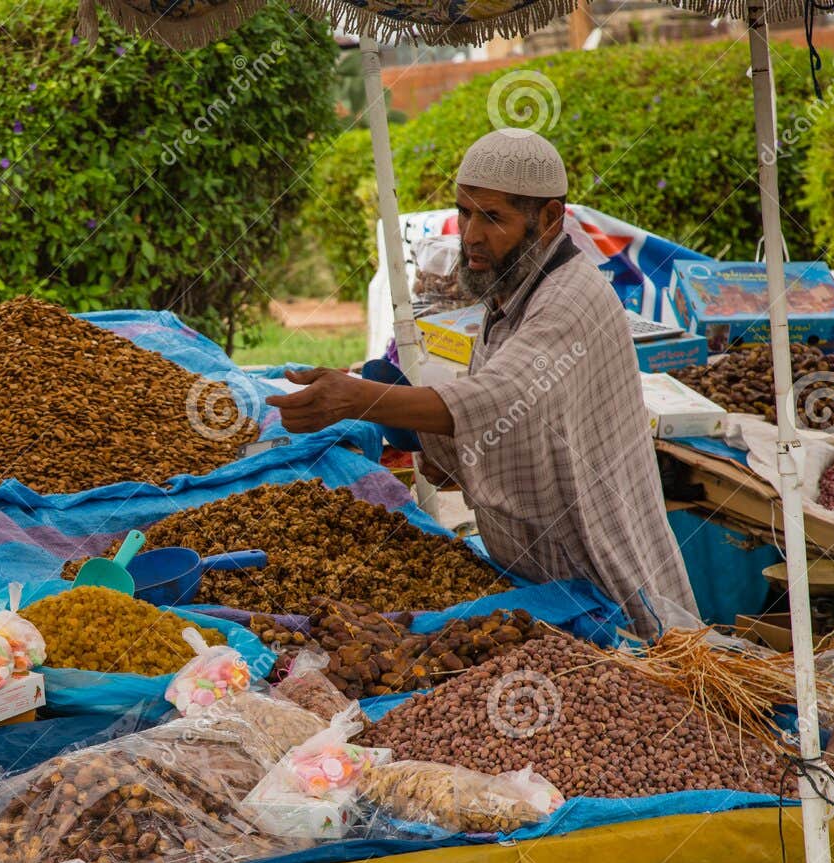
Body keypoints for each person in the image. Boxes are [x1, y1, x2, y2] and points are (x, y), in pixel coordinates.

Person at [269, 128, 696, 637]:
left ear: (550, 219)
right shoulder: (508, 296)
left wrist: (363, 399)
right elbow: (497, 429)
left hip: (608, 587)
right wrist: (412, 425)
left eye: (493, 218)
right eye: (465, 213)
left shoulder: (570, 299)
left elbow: (500, 399)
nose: (470, 235)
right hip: (545, 584)